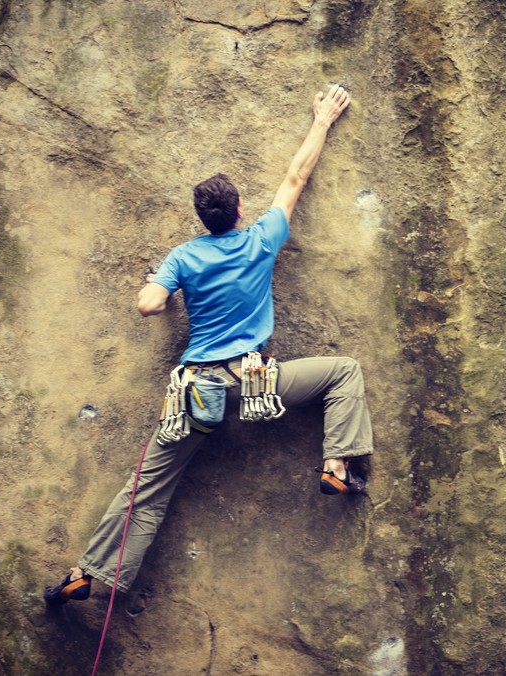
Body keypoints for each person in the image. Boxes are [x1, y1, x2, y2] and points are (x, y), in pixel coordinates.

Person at [45, 84, 371, 604]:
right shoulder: (262, 237)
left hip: (196, 393)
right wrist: (322, 120)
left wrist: (164, 284)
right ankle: (337, 466)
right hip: (254, 382)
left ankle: (88, 571)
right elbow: (296, 177)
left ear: (204, 219)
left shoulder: (184, 256)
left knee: (146, 488)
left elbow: (148, 305)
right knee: (344, 372)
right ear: (240, 209)